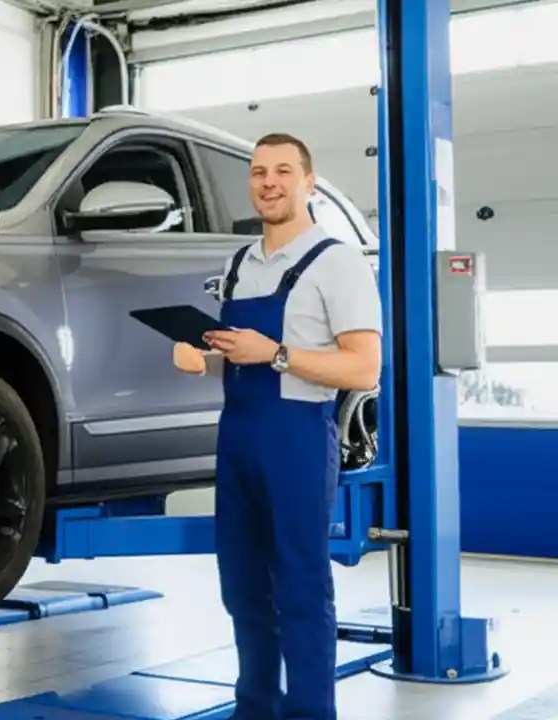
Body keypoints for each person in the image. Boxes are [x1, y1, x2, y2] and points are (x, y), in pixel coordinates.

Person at [173, 133, 382, 720]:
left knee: (299, 586)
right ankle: (255, 709)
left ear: (307, 183)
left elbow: (365, 365)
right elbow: (240, 348)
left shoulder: (336, 261)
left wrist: (278, 354)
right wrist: (200, 355)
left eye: (283, 171)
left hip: (296, 433)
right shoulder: (239, 262)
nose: (269, 182)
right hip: (237, 433)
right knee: (241, 586)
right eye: (260, 172)